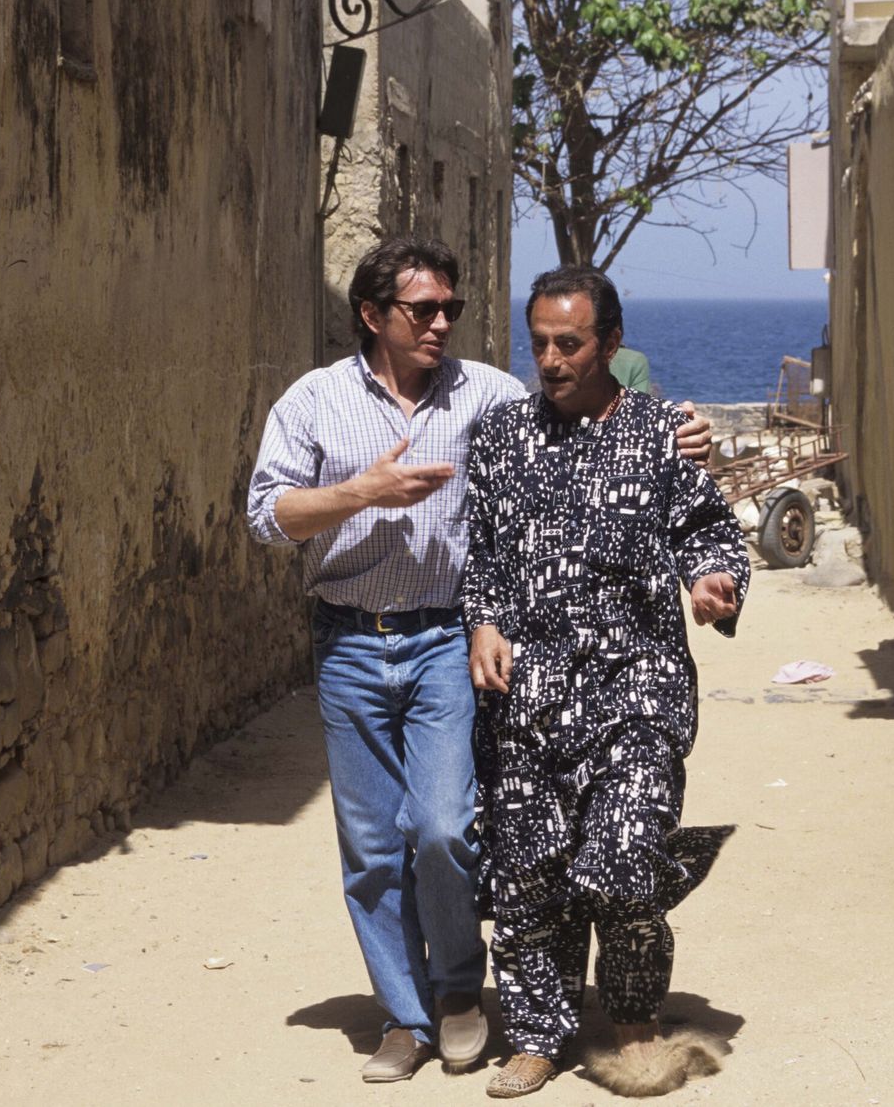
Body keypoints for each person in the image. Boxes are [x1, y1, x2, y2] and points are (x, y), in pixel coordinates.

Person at [246, 238, 713, 1086]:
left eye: (451, 310)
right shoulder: (314, 401)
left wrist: (683, 429)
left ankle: (463, 992)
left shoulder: (488, 397)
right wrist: (361, 492)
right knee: (373, 851)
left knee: (443, 829)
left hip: (446, 644)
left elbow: (597, 408)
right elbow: (267, 517)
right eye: (422, 310)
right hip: (350, 639)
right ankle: (406, 1017)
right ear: (371, 315)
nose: (440, 324)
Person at [464, 266, 750, 1100]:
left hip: (638, 690)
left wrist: (712, 582)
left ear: (610, 345)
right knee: (529, 875)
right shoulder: (502, 438)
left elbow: (710, 532)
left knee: (622, 858)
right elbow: (480, 556)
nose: (550, 360)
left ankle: (632, 1020)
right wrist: (483, 622)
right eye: (540, 342)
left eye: (570, 344)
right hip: (525, 698)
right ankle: (537, 1038)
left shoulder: (665, 433)